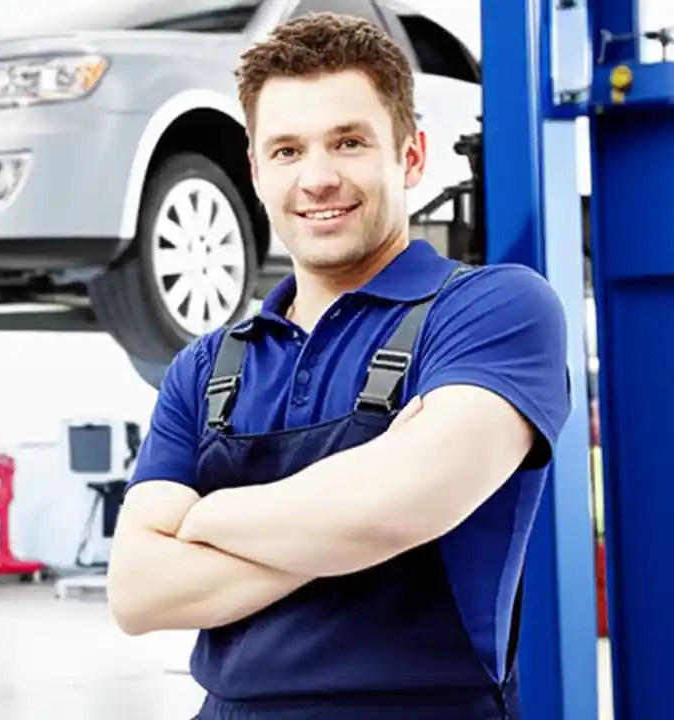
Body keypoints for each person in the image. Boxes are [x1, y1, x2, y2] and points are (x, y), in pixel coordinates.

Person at [105, 12, 570, 720]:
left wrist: (207, 514)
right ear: (256, 172)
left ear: (410, 158)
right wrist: (345, 509)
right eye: (287, 151)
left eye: (348, 143)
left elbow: (392, 511)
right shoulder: (205, 366)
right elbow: (139, 593)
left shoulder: (492, 311)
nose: (317, 178)